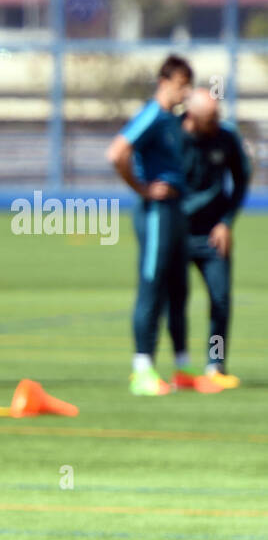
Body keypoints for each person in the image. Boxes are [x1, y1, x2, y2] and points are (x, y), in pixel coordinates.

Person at [106, 55, 193, 396]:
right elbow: (117, 151)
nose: (186, 90)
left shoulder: (174, 120)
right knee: (152, 284)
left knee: (178, 287)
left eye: (189, 84)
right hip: (155, 211)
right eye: (181, 83)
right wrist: (140, 187)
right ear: (164, 81)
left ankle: (183, 366)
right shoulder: (153, 115)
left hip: (175, 208)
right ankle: (141, 370)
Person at [173, 87, 249, 391]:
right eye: (210, 118)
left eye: (218, 115)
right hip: (177, 232)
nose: (216, 122)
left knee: (219, 300)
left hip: (212, 234)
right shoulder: (172, 135)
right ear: (192, 116)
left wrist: (226, 222)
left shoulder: (226, 137)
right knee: (173, 302)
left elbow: (242, 180)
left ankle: (215, 364)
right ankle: (181, 366)